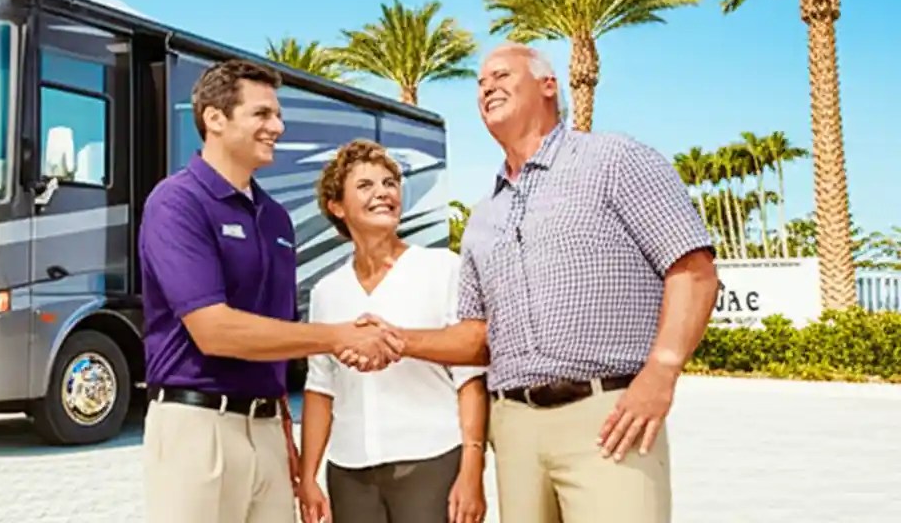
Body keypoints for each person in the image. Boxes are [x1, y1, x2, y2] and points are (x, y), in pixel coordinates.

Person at [358, 44, 720, 523]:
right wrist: (397, 340)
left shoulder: (614, 160)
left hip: (608, 417)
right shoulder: (484, 217)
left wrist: (662, 371)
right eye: (480, 84)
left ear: (548, 85)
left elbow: (693, 268)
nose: (487, 87)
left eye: (501, 75)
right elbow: (478, 336)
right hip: (514, 429)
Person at [138, 58, 405, 523]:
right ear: (215, 119)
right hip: (196, 430)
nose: (277, 127)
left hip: (267, 430)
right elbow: (214, 331)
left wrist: (290, 444)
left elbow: (276, 338)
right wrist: (338, 336)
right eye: (262, 114)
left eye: (277, 115)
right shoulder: (176, 203)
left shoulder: (276, 218)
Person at [296, 139, 488, 523]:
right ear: (337, 206)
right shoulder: (326, 292)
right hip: (349, 471)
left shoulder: (442, 268)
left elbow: (470, 378)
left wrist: (472, 470)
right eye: (365, 186)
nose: (383, 193)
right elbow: (320, 388)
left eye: (389, 183)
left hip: (431, 460)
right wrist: (307, 476)